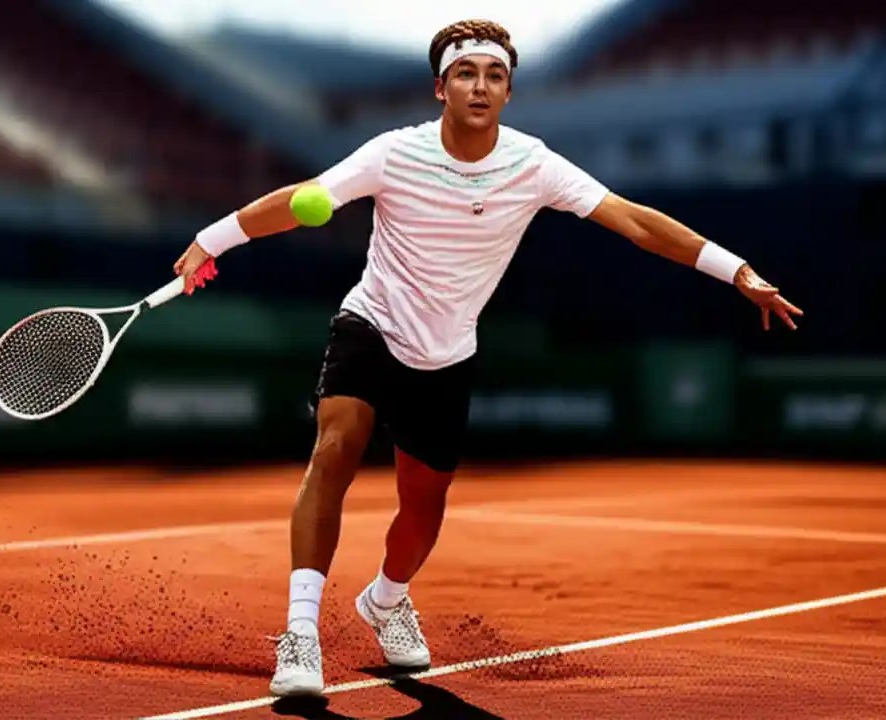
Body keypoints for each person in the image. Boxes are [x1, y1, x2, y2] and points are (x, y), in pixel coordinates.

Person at [171, 19, 803, 697]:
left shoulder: (533, 164)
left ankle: (385, 602)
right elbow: (302, 202)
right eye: (466, 73)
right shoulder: (392, 153)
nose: (480, 85)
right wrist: (212, 239)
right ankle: (300, 636)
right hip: (372, 324)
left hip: (446, 354)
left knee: (424, 508)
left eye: (494, 76)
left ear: (507, 92)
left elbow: (635, 221)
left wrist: (735, 270)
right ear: (440, 88)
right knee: (335, 448)